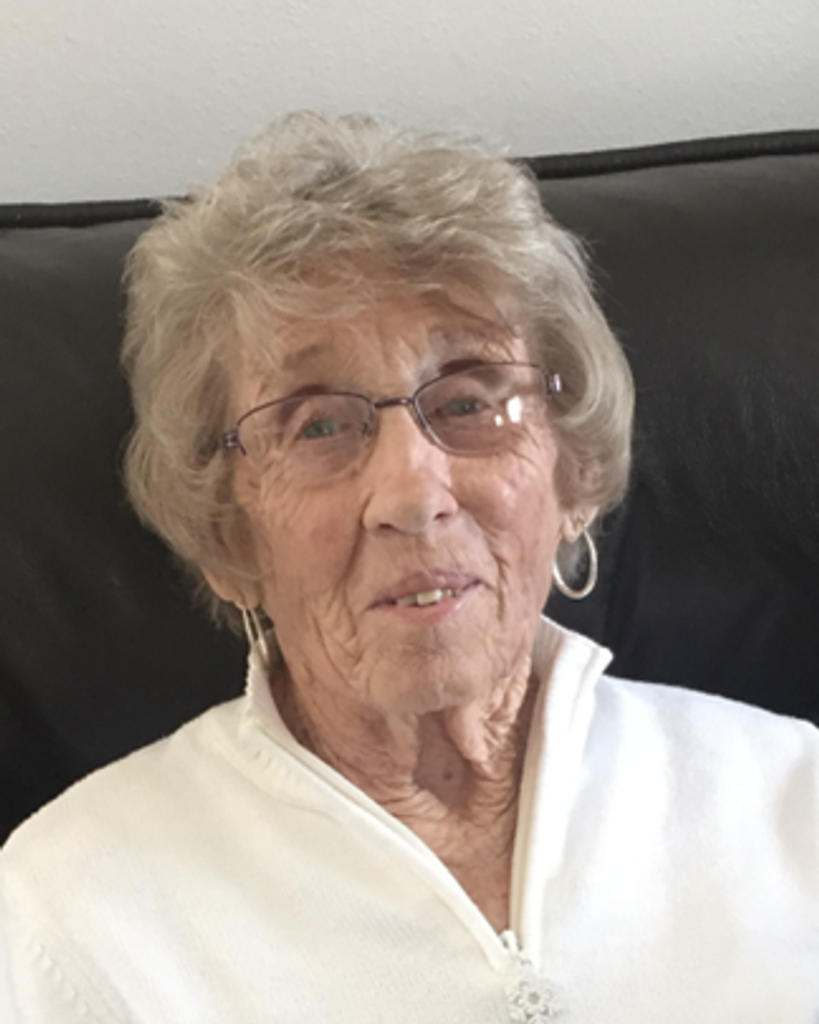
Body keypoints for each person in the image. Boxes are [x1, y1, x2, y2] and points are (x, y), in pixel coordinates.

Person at [1, 111, 818, 1024]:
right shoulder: (73, 916)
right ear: (230, 535)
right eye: (316, 424)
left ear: (572, 473)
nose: (412, 492)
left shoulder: (791, 803)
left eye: (467, 400)